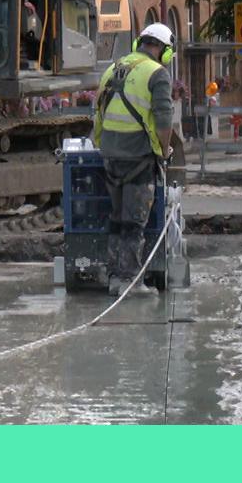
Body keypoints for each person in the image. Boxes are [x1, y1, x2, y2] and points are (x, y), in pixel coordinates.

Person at [90, 24, 180, 294]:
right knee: (133, 223)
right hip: (138, 157)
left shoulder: (113, 68)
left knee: (117, 219)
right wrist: (164, 151)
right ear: (163, 51)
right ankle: (131, 282)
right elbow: (164, 121)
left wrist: (100, 144)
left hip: (110, 155)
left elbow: (98, 113)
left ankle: (115, 278)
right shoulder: (157, 74)